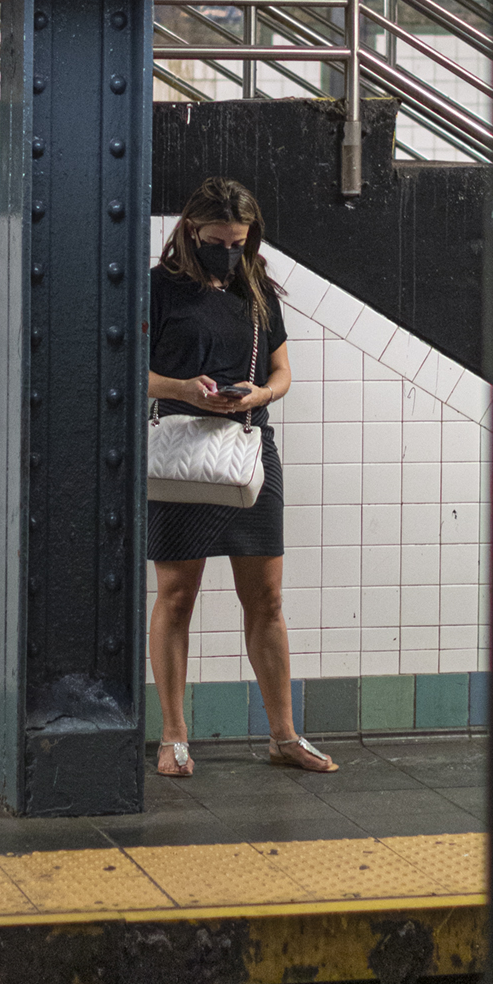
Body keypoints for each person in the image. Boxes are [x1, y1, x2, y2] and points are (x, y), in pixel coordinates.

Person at [147, 177, 337, 778]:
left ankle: (283, 735)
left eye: (240, 241)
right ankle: (173, 736)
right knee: (178, 596)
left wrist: (259, 392)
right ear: (190, 231)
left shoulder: (255, 288)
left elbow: (282, 372)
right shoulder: (158, 289)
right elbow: (124, 367)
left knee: (267, 599)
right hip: (181, 454)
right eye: (217, 240)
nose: (229, 252)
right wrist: (181, 388)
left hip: (249, 450)